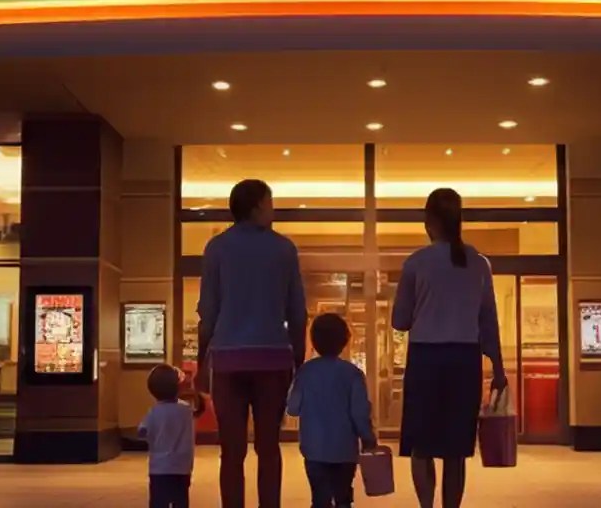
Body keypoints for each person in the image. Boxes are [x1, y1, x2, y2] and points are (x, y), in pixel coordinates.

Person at [392, 187, 507, 508]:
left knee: (421, 446)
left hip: (425, 359)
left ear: (429, 222)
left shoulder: (416, 263)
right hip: (464, 360)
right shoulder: (478, 264)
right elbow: (488, 322)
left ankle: (426, 506)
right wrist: (498, 368)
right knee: (456, 451)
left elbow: (400, 321)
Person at [196, 178, 307, 508]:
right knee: (268, 447)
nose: (273, 209)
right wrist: (298, 360)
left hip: (227, 360)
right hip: (273, 359)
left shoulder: (217, 248)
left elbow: (208, 311)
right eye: (270, 202)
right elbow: (297, 311)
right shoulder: (284, 249)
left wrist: (202, 360)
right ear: (257, 206)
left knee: (231, 451)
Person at [288, 313, 378, 508]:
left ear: (314, 341)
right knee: (343, 497)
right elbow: (359, 412)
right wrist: (368, 437)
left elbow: (293, 408)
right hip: (345, 450)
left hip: (313, 449)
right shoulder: (353, 374)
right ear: (345, 340)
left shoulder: (305, 372)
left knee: (319, 498)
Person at [139, 365, 195, 508]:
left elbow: (142, 431)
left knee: (159, 502)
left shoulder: (153, 412)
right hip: (182, 467)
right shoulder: (186, 410)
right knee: (181, 501)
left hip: (159, 468)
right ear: (178, 387)